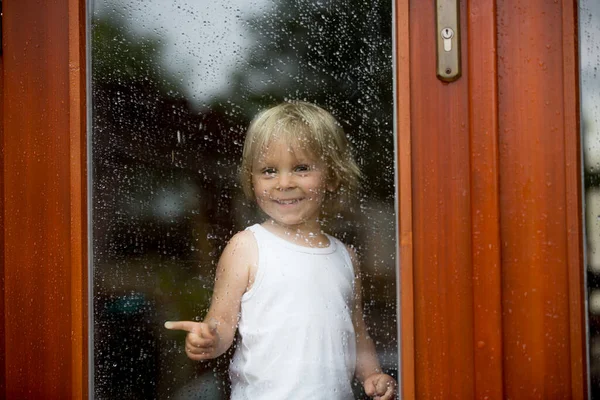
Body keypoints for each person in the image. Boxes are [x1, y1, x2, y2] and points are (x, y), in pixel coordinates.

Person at [165, 101, 396, 399]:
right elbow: (221, 323)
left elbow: (355, 329)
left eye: (301, 168)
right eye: (269, 171)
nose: (284, 183)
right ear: (252, 178)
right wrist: (208, 339)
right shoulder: (246, 247)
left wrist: (372, 373)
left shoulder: (345, 257)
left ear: (333, 176)